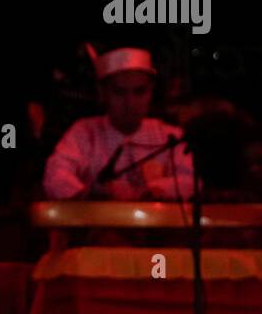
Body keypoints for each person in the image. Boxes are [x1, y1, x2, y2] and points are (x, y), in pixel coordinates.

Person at [42, 47, 194, 201]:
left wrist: (151, 191)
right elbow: (55, 175)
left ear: (151, 92)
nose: (130, 103)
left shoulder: (171, 136)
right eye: (119, 92)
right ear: (102, 93)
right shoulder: (84, 132)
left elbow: (191, 180)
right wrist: (90, 195)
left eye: (139, 92)